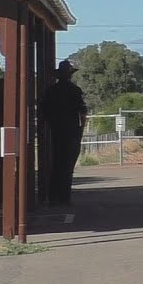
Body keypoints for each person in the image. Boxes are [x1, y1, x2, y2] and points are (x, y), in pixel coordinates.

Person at [41, 60, 87, 205]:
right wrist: (81, 130)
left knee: (56, 163)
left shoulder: (50, 91)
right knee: (68, 164)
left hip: (54, 130)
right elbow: (82, 112)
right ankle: (64, 196)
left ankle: (53, 196)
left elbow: (44, 112)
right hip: (71, 130)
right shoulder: (75, 90)